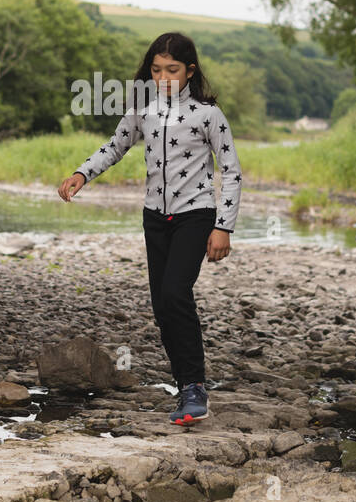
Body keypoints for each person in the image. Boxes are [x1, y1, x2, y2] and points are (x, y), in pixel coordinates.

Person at [56, 32, 243, 426]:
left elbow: (232, 171)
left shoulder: (208, 115)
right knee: (162, 307)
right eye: (156, 70)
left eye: (172, 70)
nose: (163, 77)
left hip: (196, 215)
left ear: (190, 71)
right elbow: (115, 146)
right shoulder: (144, 108)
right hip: (155, 217)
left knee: (176, 294)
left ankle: (195, 387)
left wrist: (223, 226)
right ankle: (183, 387)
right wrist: (81, 173)